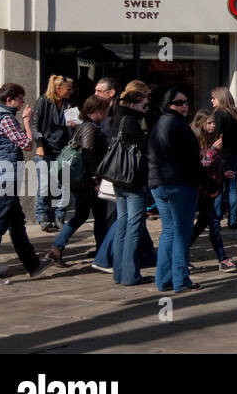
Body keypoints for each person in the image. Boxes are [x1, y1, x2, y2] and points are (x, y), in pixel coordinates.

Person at [0, 83, 53, 285]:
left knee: (16, 222)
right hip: (5, 177)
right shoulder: (5, 119)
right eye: (21, 99)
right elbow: (27, 144)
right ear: (10, 100)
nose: (23, 103)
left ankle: (32, 264)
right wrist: (27, 121)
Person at [150, 88, 214, 293]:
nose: (184, 106)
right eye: (179, 103)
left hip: (159, 184)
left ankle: (164, 279)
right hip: (178, 185)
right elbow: (192, 163)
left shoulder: (158, 125)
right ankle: (180, 279)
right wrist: (210, 186)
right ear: (169, 105)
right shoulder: (180, 127)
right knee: (180, 233)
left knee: (169, 230)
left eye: (186, 101)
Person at [47, 95, 112, 266]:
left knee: (82, 215)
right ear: (95, 111)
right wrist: (95, 179)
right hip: (87, 181)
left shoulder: (84, 126)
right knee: (99, 216)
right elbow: (88, 154)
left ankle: (57, 247)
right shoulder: (89, 127)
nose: (106, 112)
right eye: (104, 109)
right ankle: (101, 252)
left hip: (80, 181)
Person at [109, 87, 153, 286]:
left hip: (118, 179)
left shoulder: (117, 119)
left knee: (123, 226)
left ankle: (119, 273)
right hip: (133, 180)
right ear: (134, 104)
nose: (146, 108)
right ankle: (130, 275)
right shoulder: (131, 121)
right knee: (133, 228)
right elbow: (145, 147)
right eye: (144, 104)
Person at [189, 111, 237, 273]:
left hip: (212, 189)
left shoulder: (213, 140)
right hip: (200, 190)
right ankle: (222, 258)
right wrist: (213, 150)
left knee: (204, 222)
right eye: (208, 123)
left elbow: (214, 166)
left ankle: (181, 252)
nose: (212, 126)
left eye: (213, 123)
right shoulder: (195, 141)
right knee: (214, 223)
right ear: (201, 124)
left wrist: (224, 173)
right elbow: (200, 165)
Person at [32, 74, 74, 231]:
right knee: (44, 184)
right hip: (46, 148)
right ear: (58, 88)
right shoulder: (43, 101)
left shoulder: (68, 105)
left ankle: (59, 215)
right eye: (68, 89)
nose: (71, 92)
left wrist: (74, 125)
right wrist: (39, 145)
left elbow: (72, 127)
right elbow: (35, 124)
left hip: (63, 149)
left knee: (64, 184)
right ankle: (42, 216)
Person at [210, 87, 237, 229]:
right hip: (235, 154)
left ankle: (216, 219)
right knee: (232, 187)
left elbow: (215, 134)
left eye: (214, 97)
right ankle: (233, 220)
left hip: (222, 155)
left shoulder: (218, 114)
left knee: (218, 187)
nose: (211, 100)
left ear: (221, 98)